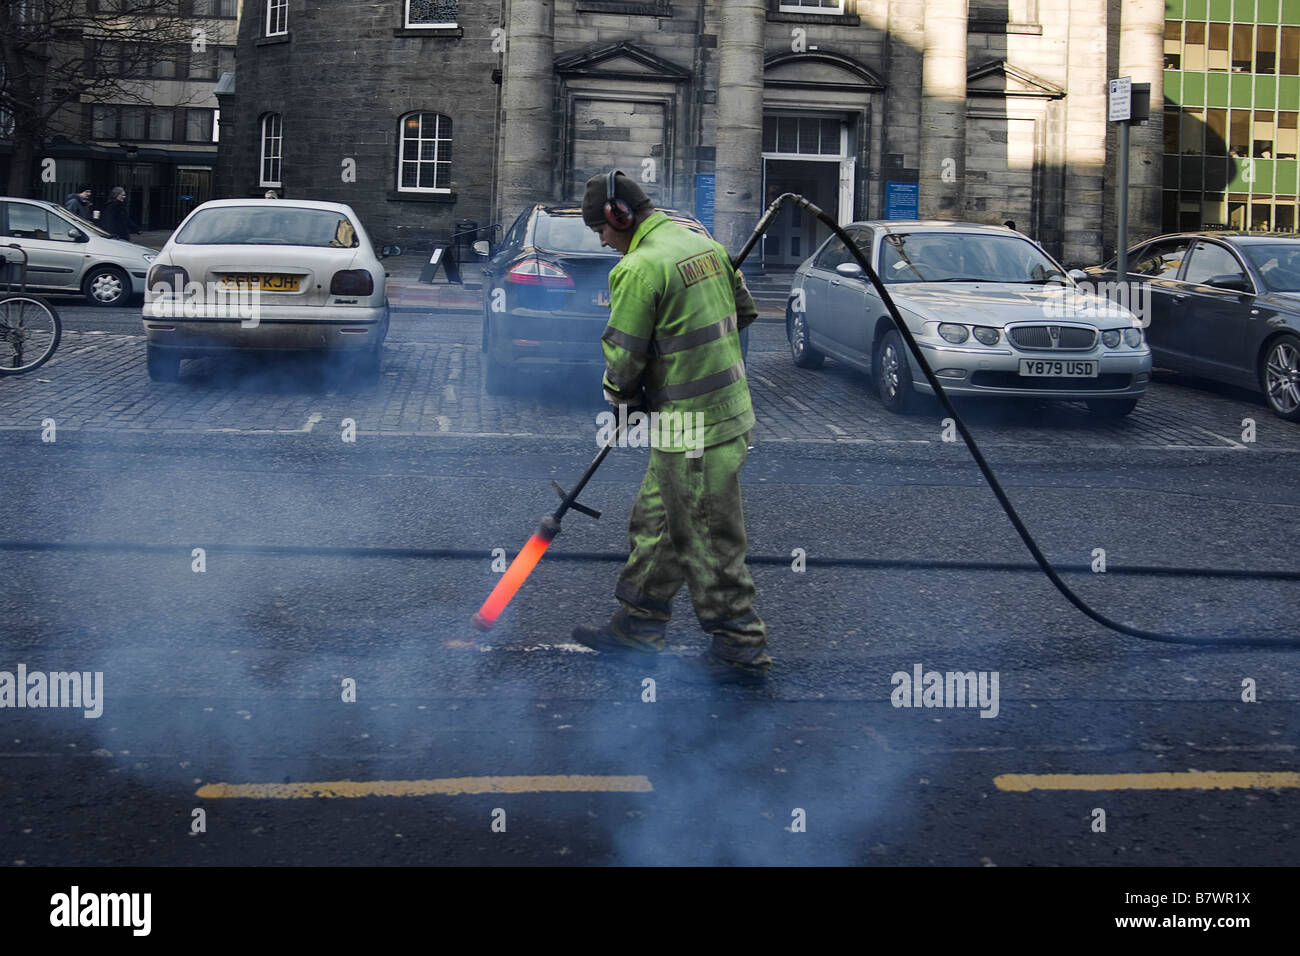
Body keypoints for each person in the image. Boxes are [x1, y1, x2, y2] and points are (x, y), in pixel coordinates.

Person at [571, 170, 771, 683]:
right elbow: (743, 312)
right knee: (657, 524)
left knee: (705, 537)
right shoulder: (702, 242)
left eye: (601, 228)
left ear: (619, 216)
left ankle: (740, 648)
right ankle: (638, 628)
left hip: (694, 428)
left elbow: (623, 359)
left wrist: (621, 400)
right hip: (722, 412)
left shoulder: (638, 268)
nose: (601, 239)